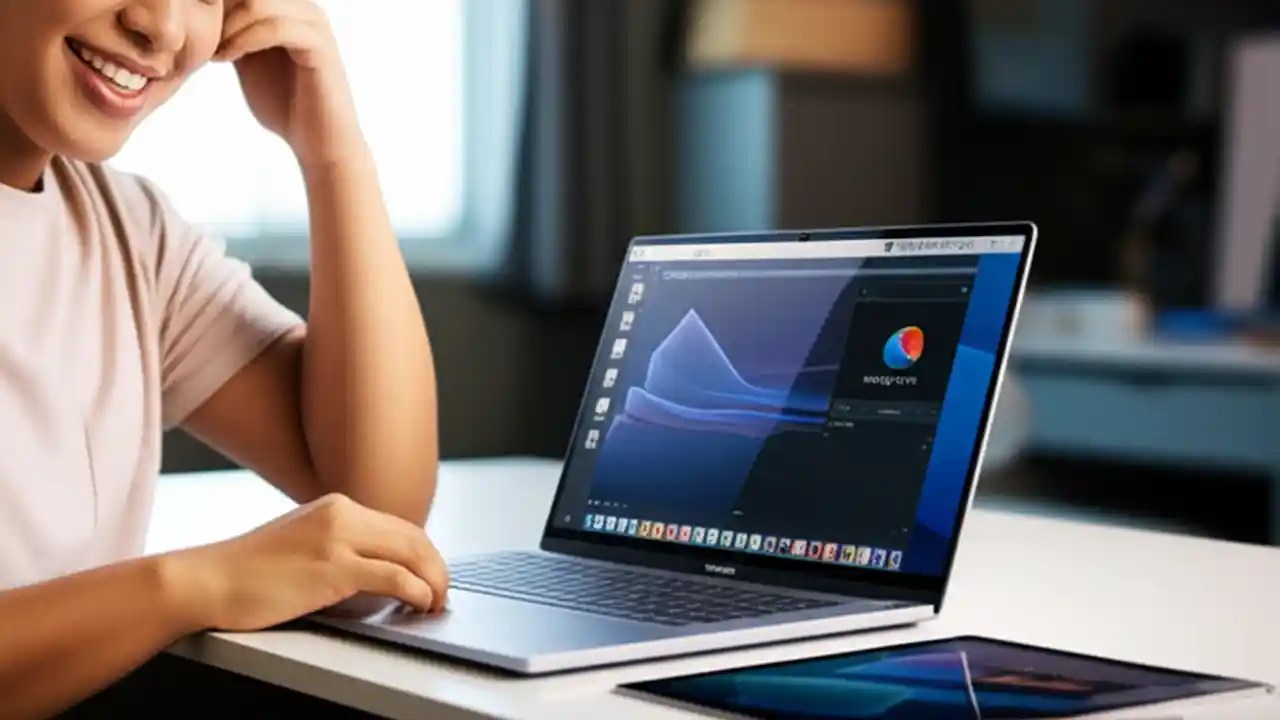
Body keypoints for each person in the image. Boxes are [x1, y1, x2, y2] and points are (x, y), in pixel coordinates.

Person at [0, 1, 451, 717]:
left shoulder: (128, 233)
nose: (164, 26)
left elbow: (378, 523)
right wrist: (194, 585)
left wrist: (331, 152)